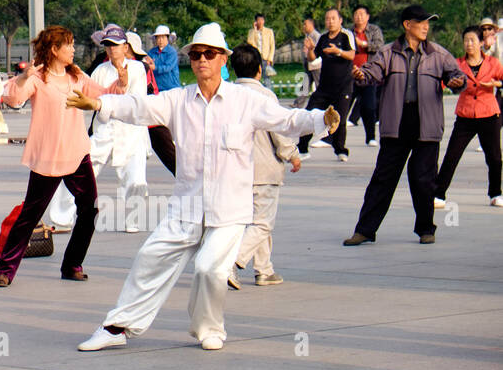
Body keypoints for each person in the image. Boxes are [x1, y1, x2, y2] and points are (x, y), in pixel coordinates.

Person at [71, 23, 338, 352]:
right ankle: (116, 327)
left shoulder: (245, 101)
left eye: (209, 54)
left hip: (229, 209)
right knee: (149, 257)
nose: (201, 60)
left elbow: (285, 120)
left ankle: (208, 328)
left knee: (209, 269)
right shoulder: (179, 100)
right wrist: (100, 105)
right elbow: (140, 107)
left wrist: (319, 120)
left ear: (223, 59)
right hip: (186, 207)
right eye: (196, 54)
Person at [0, 25, 118, 286]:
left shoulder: (77, 76)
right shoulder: (38, 78)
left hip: (76, 154)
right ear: (54, 49)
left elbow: (104, 95)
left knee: (90, 209)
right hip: (47, 155)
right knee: (30, 215)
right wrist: (23, 77)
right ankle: (5, 270)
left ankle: (72, 264)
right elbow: (13, 98)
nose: (73, 49)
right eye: (69, 45)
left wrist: (122, 81)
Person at [344, 5, 467, 246]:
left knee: (424, 180)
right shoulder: (389, 52)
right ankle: (365, 230)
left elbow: (456, 75)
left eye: (428, 22)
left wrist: (456, 81)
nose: (425, 27)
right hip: (396, 124)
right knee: (383, 180)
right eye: (421, 22)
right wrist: (361, 75)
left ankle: (425, 229)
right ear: (407, 25)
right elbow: (372, 72)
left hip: (426, 126)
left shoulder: (438, 54)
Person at [226, 44, 302, 289]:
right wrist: (292, 154)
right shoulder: (265, 96)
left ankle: (264, 270)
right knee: (263, 222)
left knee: (252, 221)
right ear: (259, 70)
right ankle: (232, 262)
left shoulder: (226, 95)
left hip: (234, 170)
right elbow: (279, 130)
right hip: (263, 169)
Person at [432, 26, 502, 208]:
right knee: (452, 155)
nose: (469, 44)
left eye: (472, 40)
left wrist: (495, 83)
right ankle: (438, 194)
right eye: (466, 40)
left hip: (489, 114)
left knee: (494, 157)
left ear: (480, 43)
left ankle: (495, 193)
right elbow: (443, 82)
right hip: (465, 115)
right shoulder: (457, 64)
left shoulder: (493, 63)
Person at [88, 28, 150, 232]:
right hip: (104, 128)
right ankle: (61, 219)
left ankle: (133, 220)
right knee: (82, 173)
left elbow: (135, 102)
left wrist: (122, 86)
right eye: (108, 45)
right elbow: (95, 101)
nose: (112, 49)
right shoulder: (100, 71)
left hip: (130, 132)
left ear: (126, 47)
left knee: (136, 179)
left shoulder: (137, 69)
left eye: (116, 45)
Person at [299, 8, 354, 161]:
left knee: (340, 119)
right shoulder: (323, 38)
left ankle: (340, 150)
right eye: (327, 19)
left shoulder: (345, 36)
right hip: (324, 86)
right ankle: (302, 148)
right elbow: (312, 58)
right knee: (309, 114)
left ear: (340, 20)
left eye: (333, 18)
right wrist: (310, 50)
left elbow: (351, 54)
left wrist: (338, 51)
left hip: (343, 86)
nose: (330, 21)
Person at [347, 5, 385, 146]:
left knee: (369, 107)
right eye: (356, 14)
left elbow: (380, 46)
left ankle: (371, 137)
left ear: (367, 17)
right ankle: (332, 139)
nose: (359, 17)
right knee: (342, 106)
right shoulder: (348, 32)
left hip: (368, 74)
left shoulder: (374, 30)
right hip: (350, 73)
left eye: (362, 14)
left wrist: (362, 43)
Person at [144, 25, 179, 174]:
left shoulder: (172, 52)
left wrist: (154, 66)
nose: (160, 40)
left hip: (171, 88)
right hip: (158, 91)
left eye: (163, 37)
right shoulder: (151, 52)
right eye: (158, 38)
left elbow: (167, 67)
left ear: (168, 38)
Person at [301, 16, 321, 94]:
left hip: (315, 63)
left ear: (311, 24)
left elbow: (318, 49)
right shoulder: (307, 35)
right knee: (306, 82)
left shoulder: (316, 35)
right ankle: (298, 103)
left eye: (305, 24)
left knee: (317, 82)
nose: (304, 26)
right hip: (308, 61)